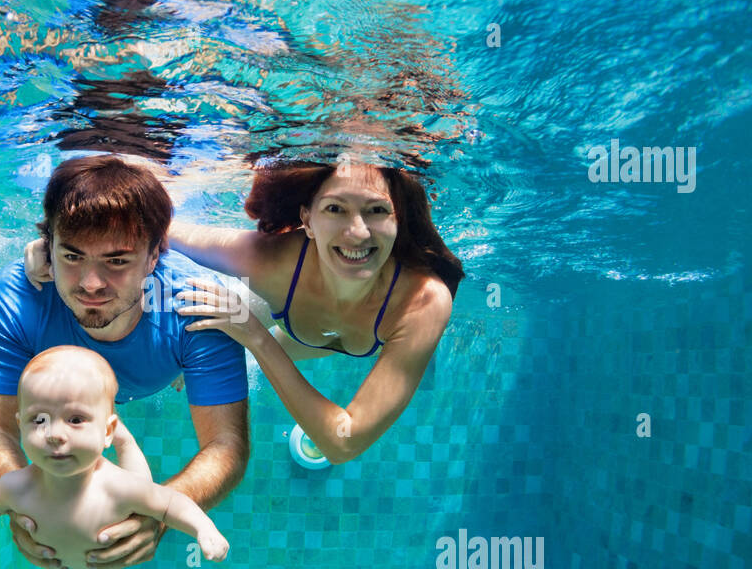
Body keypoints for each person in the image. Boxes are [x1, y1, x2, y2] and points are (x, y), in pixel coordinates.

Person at [25, 157, 460, 464]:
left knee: (248, 328)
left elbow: (342, 443)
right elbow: (150, 231)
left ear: (399, 219)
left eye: (377, 210)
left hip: (291, 339)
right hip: (287, 327)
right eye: (335, 209)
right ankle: (189, 358)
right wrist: (56, 245)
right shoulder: (267, 259)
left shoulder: (422, 300)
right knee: (215, 307)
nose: (358, 231)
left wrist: (252, 336)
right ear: (306, 219)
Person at [0, 154, 249, 569]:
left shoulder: (197, 305)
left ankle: (181, 372)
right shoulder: (16, 297)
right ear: (48, 248)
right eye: (72, 256)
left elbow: (226, 445)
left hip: (166, 364)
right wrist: (23, 506)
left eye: (117, 261)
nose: (91, 284)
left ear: (155, 256)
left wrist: (155, 515)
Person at [0, 346, 229, 569]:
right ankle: (108, 431)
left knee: (141, 483)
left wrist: (203, 528)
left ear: (105, 433)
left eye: (75, 419)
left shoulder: (119, 488)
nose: (53, 434)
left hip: (123, 488)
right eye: (38, 420)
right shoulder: (19, 485)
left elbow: (169, 504)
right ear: (19, 425)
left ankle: (122, 439)